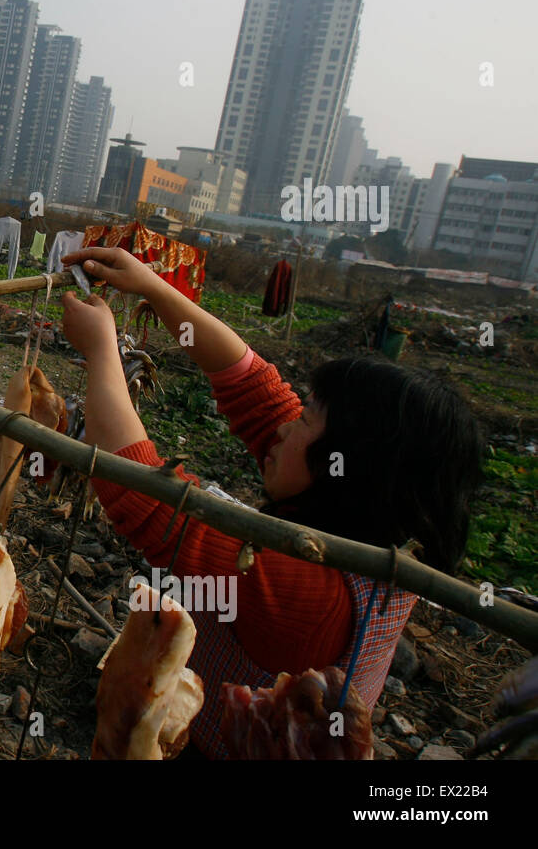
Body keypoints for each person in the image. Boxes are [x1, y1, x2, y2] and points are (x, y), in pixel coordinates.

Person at [59, 245, 485, 758]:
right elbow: (253, 386)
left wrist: (103, 353)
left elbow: (148, 503)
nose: (284, 423)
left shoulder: (310, 596)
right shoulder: (354, 516)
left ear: (343, 465)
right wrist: (153, 287)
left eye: (305, 419)